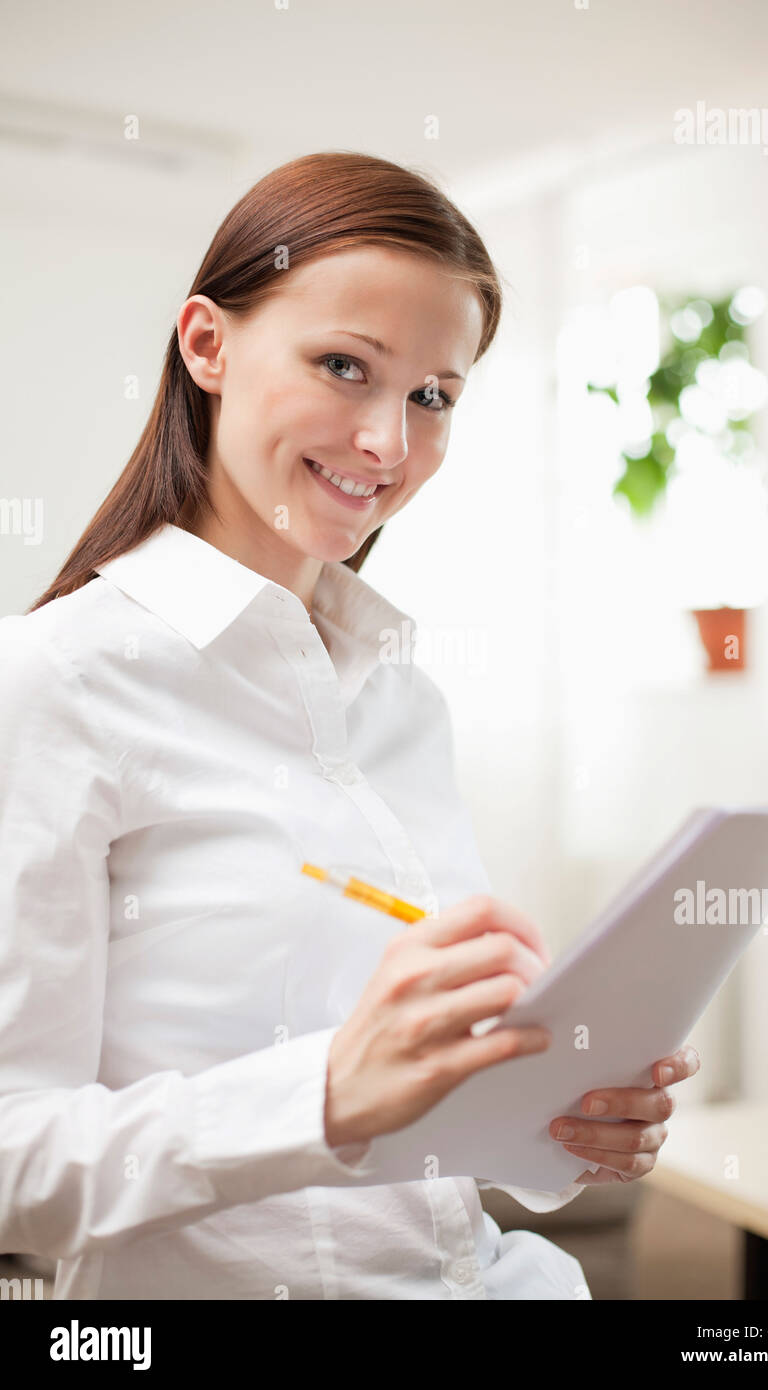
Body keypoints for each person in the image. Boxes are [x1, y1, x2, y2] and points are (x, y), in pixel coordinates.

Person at [0, 151, 699, 1300]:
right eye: (344, 366)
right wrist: (319, 1095)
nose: (387, 443)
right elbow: (16, 1160)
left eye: (432, 395)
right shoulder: (57, 682)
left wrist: (551, 1117)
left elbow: (415, 1115)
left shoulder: (400, 700)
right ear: (206, 345)